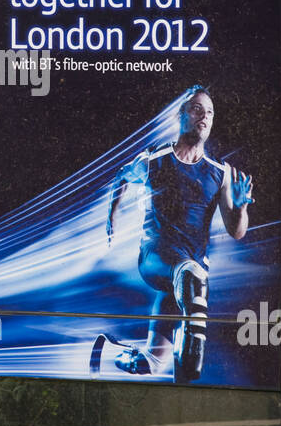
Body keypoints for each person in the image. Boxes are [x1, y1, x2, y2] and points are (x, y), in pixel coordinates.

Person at [105, 85, 253, 382]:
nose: (204, 116)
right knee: (193, 275)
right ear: (181, 115)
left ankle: (116, 354)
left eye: (209, 112)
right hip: (156, 259)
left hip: (187, 276)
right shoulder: (153, 159)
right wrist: (113, 216)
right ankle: (188, 386)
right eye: (197, 109)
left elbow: (237, 232)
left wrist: (239, 208)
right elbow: (121, 178)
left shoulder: (220, 173)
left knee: (153, 363)